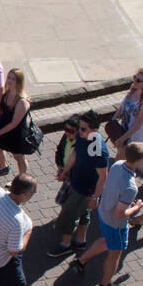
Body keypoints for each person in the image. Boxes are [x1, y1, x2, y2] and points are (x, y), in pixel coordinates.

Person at [70, 142, 143, 286]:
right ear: (139, 160)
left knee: (105, 240)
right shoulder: (131, 187)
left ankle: (81, 261)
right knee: (115, 254)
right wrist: (136, 207)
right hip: (115, 224)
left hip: (103, 214)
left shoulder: (117, 164)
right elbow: (120, 214)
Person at [49, 111, 110, 258]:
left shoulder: (99, 151)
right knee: (83, 213)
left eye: (83, 128)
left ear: (94, 130)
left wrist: (95, 197)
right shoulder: (83, 137)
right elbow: (75, 154)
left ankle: (66, 245)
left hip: (84, 190)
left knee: (68, 215)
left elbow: (103, 177)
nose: (79, 131)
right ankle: (80, 241)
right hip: (75, 182)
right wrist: (65, 172)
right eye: (80, 127)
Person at [0, 68, 34, 176]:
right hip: (4, 127)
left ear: (19, 81)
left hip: (16, 133)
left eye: (13, 79)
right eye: (9, 77)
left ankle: (21, 178)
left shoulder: (22, 102)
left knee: (18, 157)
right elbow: (1, 109)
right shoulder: (7, 93)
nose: (9, 80)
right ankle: (3, 165)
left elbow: (14, 124)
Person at [107, 69, 143, 156]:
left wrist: (122, 139)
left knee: (125, 163)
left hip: (134, 141)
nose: (134, 81)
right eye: (134, 77)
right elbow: (123, 106)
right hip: (123, 133)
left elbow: (137, 126)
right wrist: (113, 120)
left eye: (138, 80)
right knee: (121, 161)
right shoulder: (134, 88)